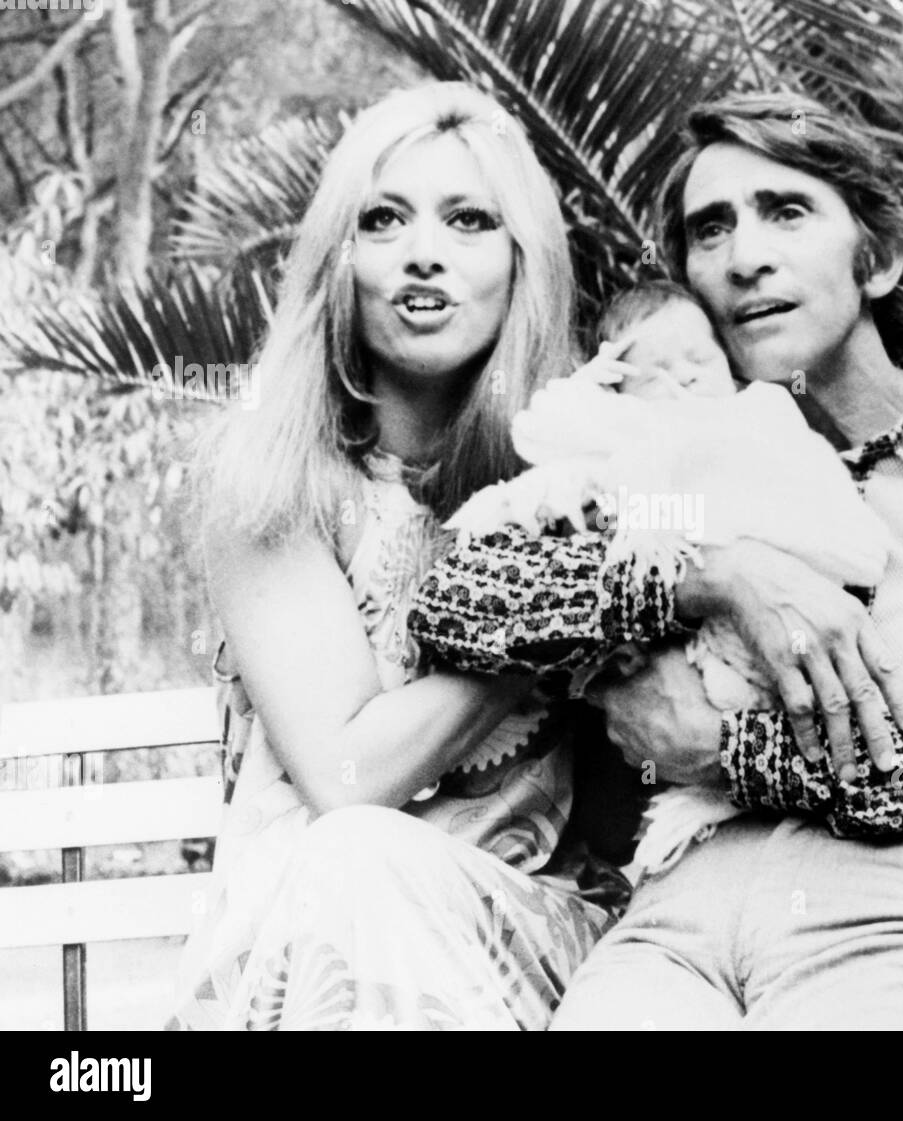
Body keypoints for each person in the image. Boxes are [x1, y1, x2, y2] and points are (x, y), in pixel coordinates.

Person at [409, 92, 903, 1029]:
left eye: (785, 211)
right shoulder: (674, 452)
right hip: (681, 913)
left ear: (880, 260)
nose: (745, 255)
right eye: (710, 230)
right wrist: (714, 575)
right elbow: (457, 602)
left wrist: (725, 748)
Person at [165, 82, 620, 1031]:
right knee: (356, 862)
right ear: (342, 259)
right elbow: (345, 778)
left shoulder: (592, 468)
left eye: (469, 220)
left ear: (520, 262)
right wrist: (561, 603)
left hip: (527, 943)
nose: (424, 253)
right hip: (306, 944)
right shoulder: (272, 482)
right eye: (383, 219)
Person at [418, 278, 891, 881]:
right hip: (675, 683)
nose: (685, 379)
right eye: (655, 372)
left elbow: (826, 522)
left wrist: (723, 543)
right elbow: (452, 602)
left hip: (795, 644)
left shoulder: (765, 419)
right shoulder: (622, 449)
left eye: (700, 359)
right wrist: (707, 566)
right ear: (616, 391)